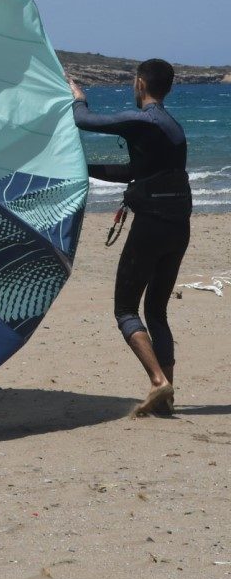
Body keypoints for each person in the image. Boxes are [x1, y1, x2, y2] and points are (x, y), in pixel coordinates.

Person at [69, 59, 191, 417]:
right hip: (178, 227)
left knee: (125, 308)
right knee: (156, 310)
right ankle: (166, 401)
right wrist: (84, 170)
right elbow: (134, 173)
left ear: (140, 83)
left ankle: (158, 382)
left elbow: (83, 121)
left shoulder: (143, 121)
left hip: (151, 227)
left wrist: (78, 96)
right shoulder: (172, 128)